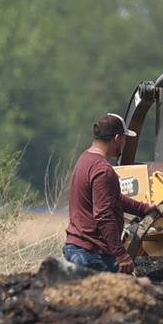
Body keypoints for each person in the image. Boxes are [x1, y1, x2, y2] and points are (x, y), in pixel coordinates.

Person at [63, 112, 156, 274]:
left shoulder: (85, 160)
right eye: (125, 138)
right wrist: (121, 255)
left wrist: (143, 208)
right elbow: (103, 215)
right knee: (139, 285)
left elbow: (113, 198)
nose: (125, 142)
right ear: (117, 138)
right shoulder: (103, 170)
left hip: (77, 249)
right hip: (91, 254)